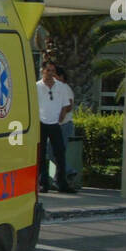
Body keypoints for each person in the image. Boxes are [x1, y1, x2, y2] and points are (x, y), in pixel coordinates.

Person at [36, 60, 74, 193]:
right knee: (41, 155)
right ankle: (43, 183)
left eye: (53, 70)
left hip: (55, 124)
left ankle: (61, 183)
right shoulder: (36, 87)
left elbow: (66, 104)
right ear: (42, 71)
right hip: (41, 123)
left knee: (60, 154)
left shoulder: (61, 87)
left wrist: (61, 118)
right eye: (48, 70)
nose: (50, 73)